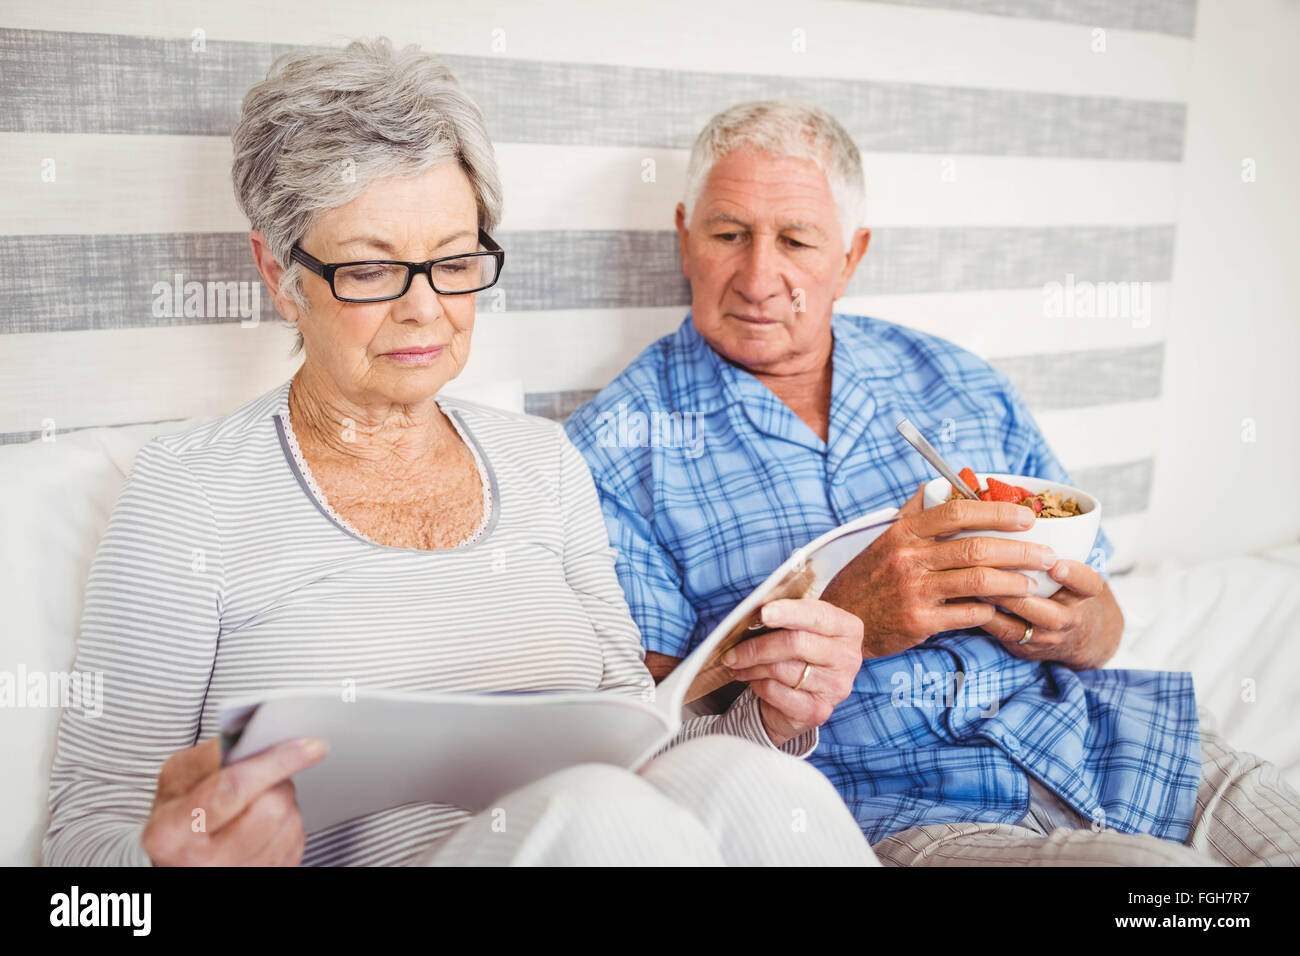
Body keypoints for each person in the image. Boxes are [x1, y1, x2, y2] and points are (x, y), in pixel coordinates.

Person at [40, 44, 876, 867]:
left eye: (452, 261)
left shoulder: (545, 462)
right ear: (277, 272)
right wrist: (175, 861)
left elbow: (642, 737)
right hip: (576, 837)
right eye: (370, 270)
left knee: (757, 784)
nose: (425, 311)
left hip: (608, 836)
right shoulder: (189, 489)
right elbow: (80, 848)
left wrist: (768, 713)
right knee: (601, 815)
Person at [565, 100, 1300, 866]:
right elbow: (659, 733)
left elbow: (1103, 621)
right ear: (685, 238)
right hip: (907, 807)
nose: (759, 277)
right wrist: (848, 615)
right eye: (727, 235)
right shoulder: (611, 452)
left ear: (851, 256)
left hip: (1122, 749)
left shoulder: (958, 381)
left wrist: (1077, 628)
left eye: (796, 240)